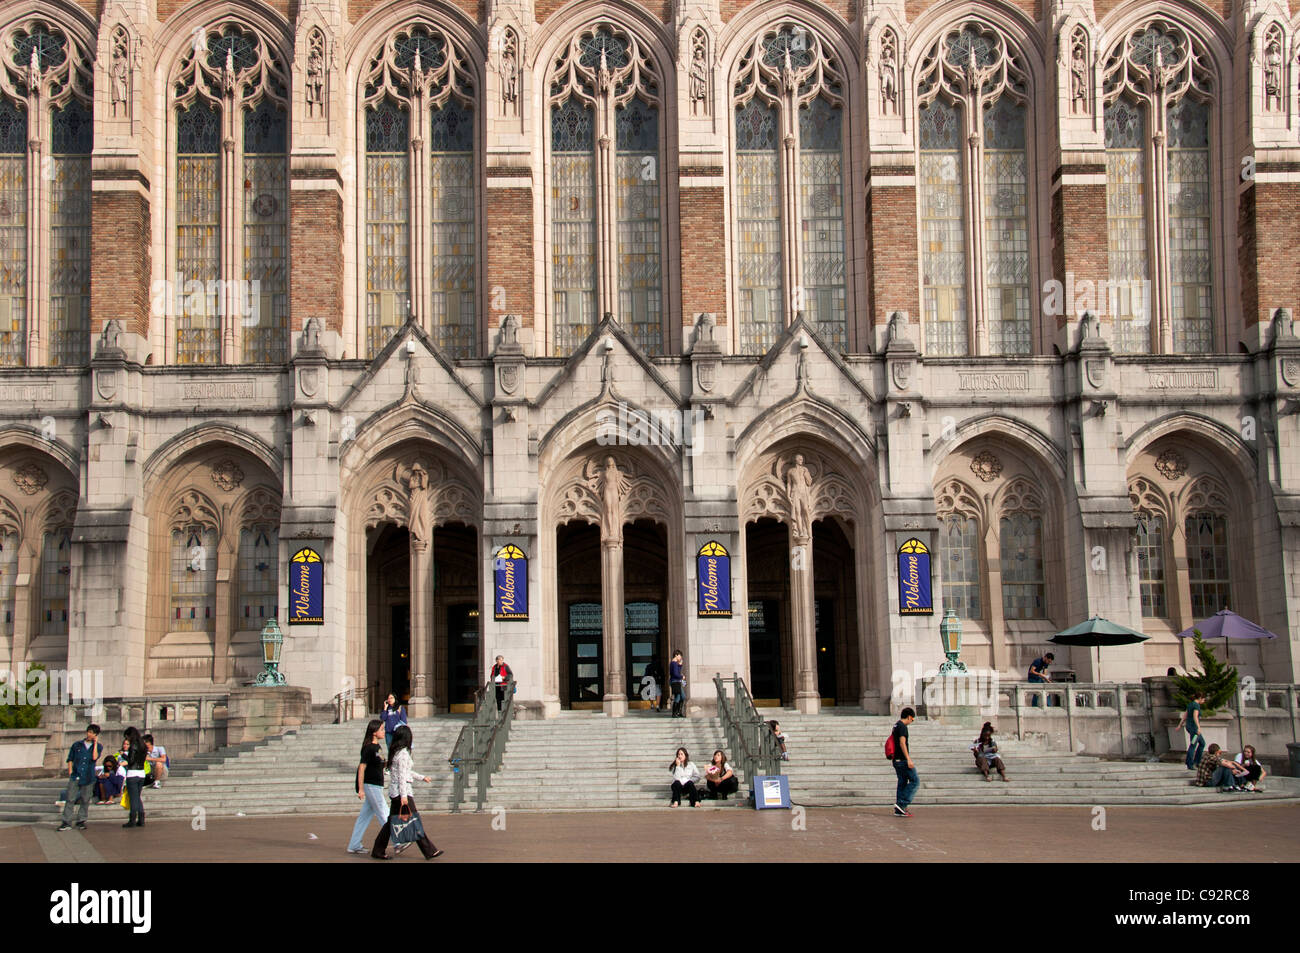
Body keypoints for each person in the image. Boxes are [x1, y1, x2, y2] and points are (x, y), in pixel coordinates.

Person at [371, 725, 443, 860]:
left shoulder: (396, 753)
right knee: (414, 820)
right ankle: (429, 850)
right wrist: (404, 796)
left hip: (396, 792)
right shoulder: (403, 754)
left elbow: (404, 772)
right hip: (402, 793)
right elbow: (403, 777)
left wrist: (422, 777)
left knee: (390, 823)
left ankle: (378, 849)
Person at [348, 719, 390, 854]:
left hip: (377, 785)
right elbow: (361, 768)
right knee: (384, 813)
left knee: (364, 817)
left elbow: (381, 763)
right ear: (374, 732)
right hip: (371, 785)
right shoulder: (369, 748)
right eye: (382, 729)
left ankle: (354, 844)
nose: (384, 731)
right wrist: (360, 789)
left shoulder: (378, 747)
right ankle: (398, 841)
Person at [58, 724, 103, 831]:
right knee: (70, 798)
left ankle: (81, 821)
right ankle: (66, 822)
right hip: (76, 775)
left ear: (96, 735)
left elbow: (94, 757)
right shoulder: (77, 745)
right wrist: (70, 771)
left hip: (88, 776)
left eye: (92, 733)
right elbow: (70, 759)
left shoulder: (98, 746)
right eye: (89, 731)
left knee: (85, 799)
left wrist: (95, 743)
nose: (89, 734)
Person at [891, 707, 918, 817]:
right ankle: (902, 804)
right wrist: (908, 759)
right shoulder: (902, 727)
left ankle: (899, 809)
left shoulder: (896, 725)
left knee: (902, 782)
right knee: (915, 781)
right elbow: (902, 743)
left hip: (896, 759)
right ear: (909, 717)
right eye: (913, 719)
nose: (912, 721)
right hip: (902, 759)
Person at [121, 727, 148, 828]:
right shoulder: (143, 745)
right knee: (137, 797)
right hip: (141, 772)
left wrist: (123, 755)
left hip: (132, 773)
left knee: (133, 798)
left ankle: (132, 820)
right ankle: (141, 819)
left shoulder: (133, 746)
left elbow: (131, 761)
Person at [1176, 691, 1207, 769]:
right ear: (1200, 698)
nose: (1203, 701)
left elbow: (1185, 715)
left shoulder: (1190, 704)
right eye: (1203, 700)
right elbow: (1195, 716)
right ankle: (1190, 763)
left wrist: (1180, 724)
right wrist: (1198, 727)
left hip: (1190, 726)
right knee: (1193, 744)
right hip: (1194, 728)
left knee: (1202, 743)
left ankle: (1196, 761)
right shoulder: (1196, 705)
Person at [669, 650, 685, 718]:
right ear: (676, 655)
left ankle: (678, 712)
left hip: (676, 681)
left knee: (683, 696)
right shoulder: (674, 663)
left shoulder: (674, 663)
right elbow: (676, 674)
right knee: (678, 697)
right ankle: (675, 713)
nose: (680, 658)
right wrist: (682, 677)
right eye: (680, 656)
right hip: (675, 682)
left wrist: (680, 665)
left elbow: (677, 672)